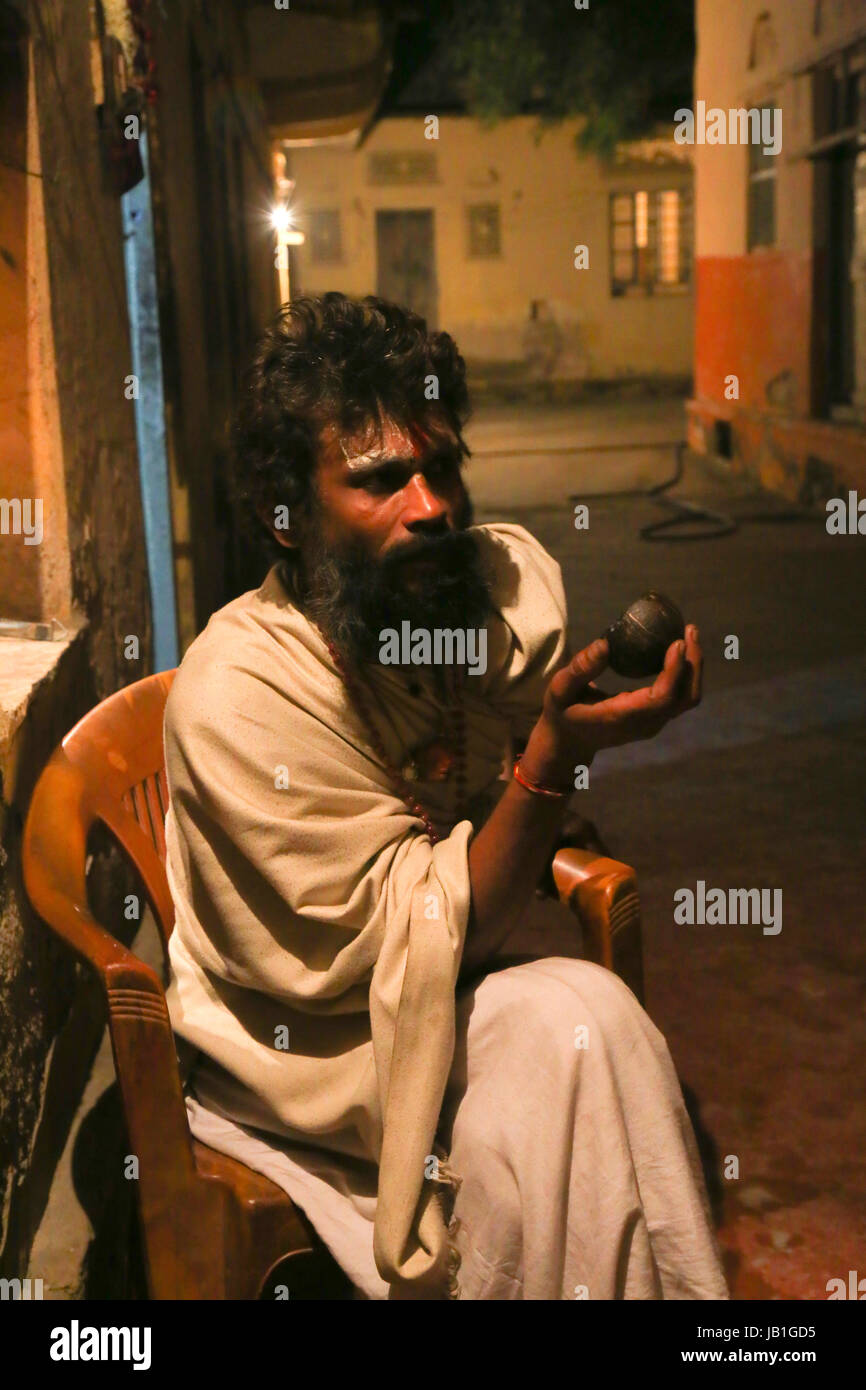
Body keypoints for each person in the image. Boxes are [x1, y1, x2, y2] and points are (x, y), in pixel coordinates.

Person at [163, 292, 729, 1300]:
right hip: (312, 1048)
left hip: (443, 983)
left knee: (587, 1026)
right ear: (283, 514)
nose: (430, 507)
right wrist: (545, 760)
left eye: (442, 467)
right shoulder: (238, 695)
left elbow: (510, 610)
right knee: (569, 1040)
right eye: (380, 480)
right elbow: (410, 950)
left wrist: (564, 718)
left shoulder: (447, 609)